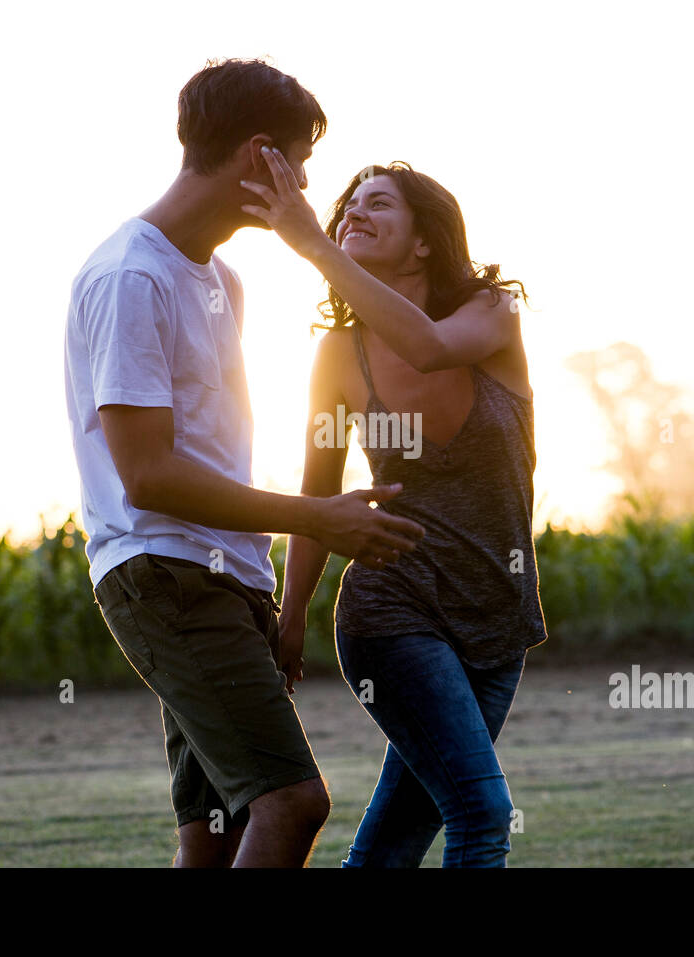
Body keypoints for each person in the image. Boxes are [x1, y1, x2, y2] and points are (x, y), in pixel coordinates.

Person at [63, 59, 425, 868]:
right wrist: (314, 517)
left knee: (217, 830)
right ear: (260, 155)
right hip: (166, 577)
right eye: (298, 161)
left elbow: (207, 455)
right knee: (294, 802)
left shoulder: (221, 277)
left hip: (223, 579)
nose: (304, 184)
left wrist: (274, 599)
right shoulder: (131, 275)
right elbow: (147, 476)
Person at [243, 155, 548, 866]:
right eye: (348, 203)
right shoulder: (338, 356)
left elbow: (431, 346)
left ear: (424, 242)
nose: (353, 211)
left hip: (498, 616)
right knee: (481, 812)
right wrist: (291, 621)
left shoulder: (490, 314)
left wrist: (312, 245)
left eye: (377, 203)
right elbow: (318, 495)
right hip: (392, 609)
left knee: (395, 842)